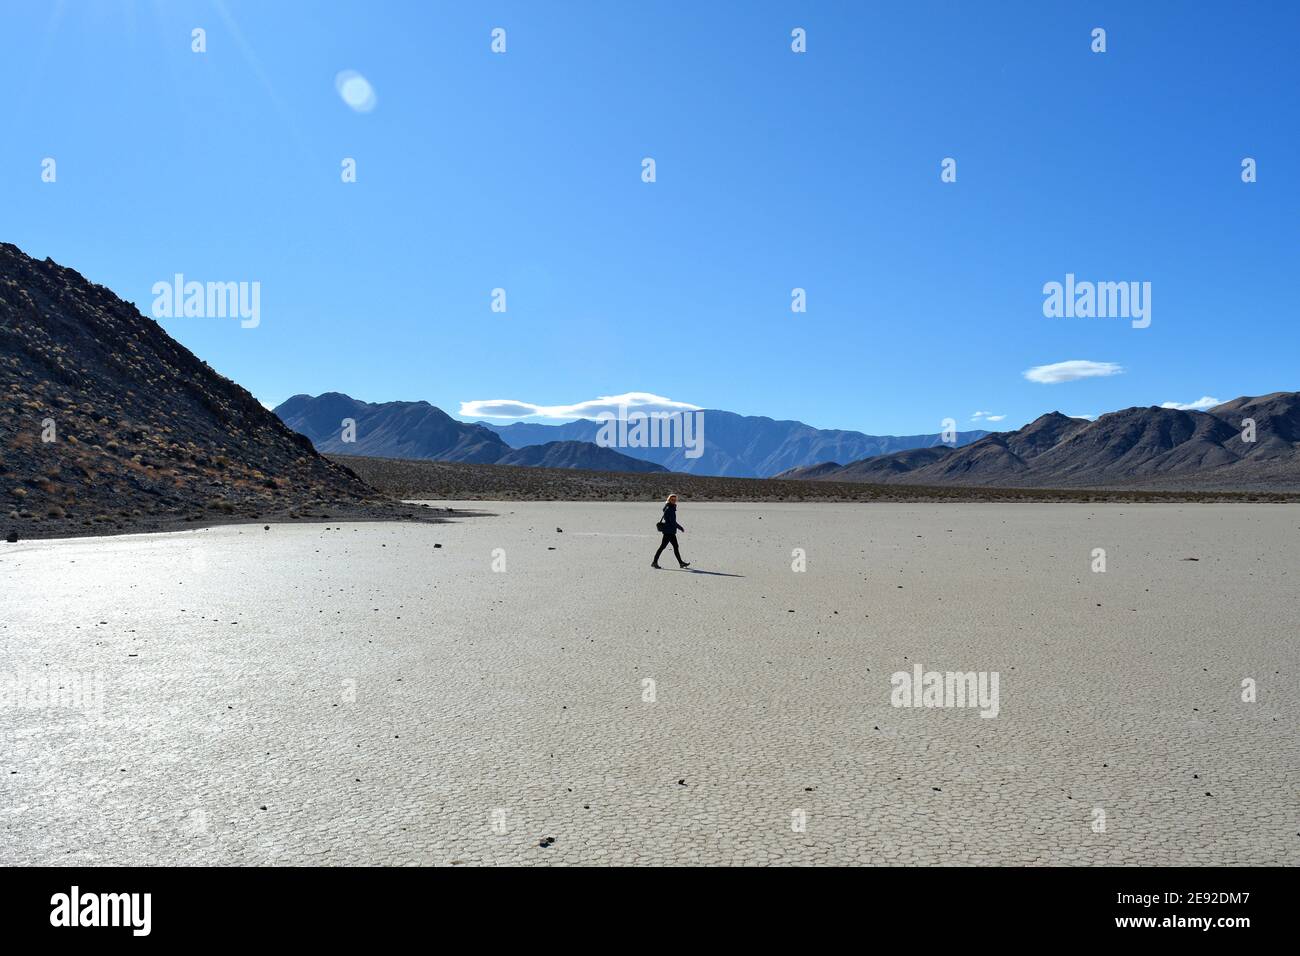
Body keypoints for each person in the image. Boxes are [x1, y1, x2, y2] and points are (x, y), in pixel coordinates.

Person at [652, 493, 690, 569]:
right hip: (669, 531)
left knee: (672, 546)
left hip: (670, 531)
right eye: (672, 499)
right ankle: (654, 562)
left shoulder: (669, 507)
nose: (674, 501)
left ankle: (680, 563)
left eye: (675, 499)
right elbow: (673, 522)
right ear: (669, 500)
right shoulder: (670, 509)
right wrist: (680, 527)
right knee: (665, 547)